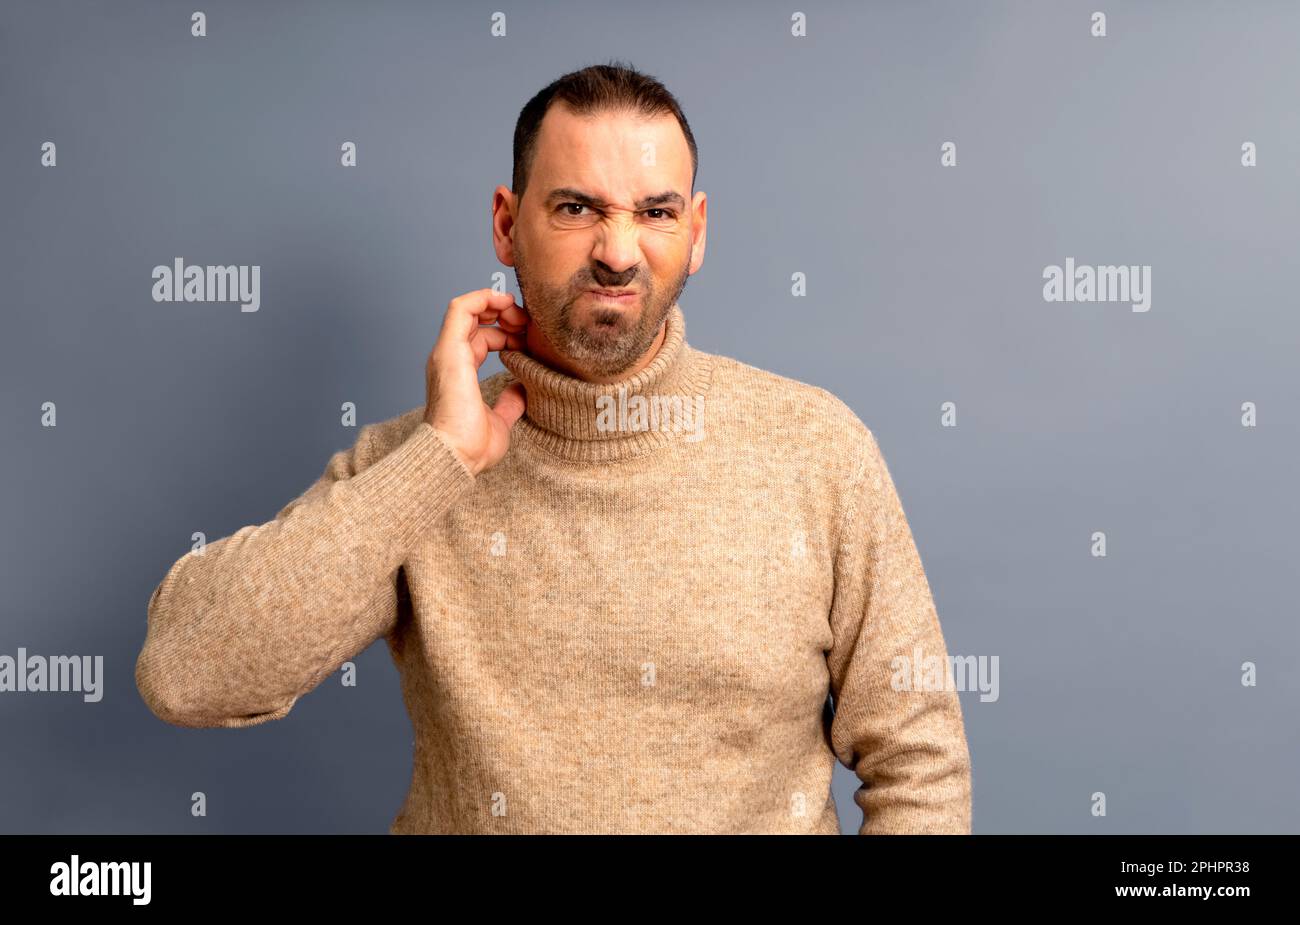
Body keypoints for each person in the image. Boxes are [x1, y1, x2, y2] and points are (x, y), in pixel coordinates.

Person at [135, 61, 972, 835]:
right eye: (577, 208)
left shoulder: (816, 448)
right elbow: (186, 671)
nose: (617, 251)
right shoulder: (416, 467)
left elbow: (919, 766)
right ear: (506, 224)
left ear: (698, 230)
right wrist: (442, 462)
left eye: (655, 212)